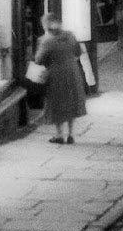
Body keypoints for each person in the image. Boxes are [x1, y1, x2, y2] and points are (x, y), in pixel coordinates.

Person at [33, 13, 87, 145]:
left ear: (46, 26)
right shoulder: (70, 36)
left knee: (57, 104)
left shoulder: (47, 41)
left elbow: (39, 60)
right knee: (71, 102)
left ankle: (59, 135)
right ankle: (71, 134)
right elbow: (78, 52)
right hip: (73, 73)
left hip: (56, 76)